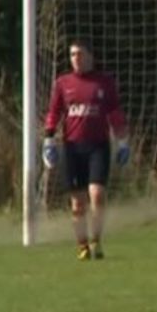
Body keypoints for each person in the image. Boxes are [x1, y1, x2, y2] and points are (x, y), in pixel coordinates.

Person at [42, 39, 130, 260]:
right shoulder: (63, 83)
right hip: (72, 147)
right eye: (72, 55)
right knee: (77, 202)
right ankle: (82, 246)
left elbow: (115, 113)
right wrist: (49, 140)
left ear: (91, 56)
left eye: (80, 54)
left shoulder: (104, 83)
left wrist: (122, 142)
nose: (76, 59)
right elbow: (54, 112)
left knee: (97, 194)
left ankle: (96, 240)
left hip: (98, 146)